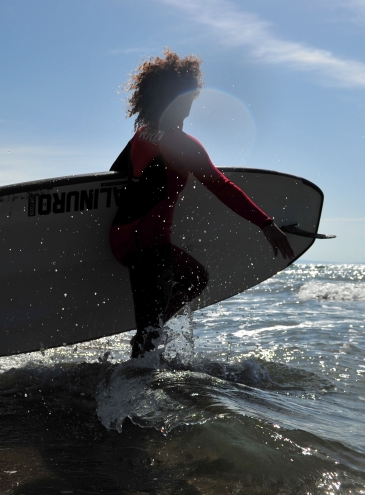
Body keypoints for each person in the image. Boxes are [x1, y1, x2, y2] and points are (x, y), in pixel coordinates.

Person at [109, 50, 295, 358]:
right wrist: (266, 223)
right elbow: (222, 187)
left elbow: (116, 178)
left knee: (194, 279)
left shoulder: (142, 134)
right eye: (186, 101)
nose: (189, 109)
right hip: (149, 247)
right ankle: (133, 381)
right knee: (150, 336)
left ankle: (148, 336)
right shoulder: (181, 144)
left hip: (125, 237)